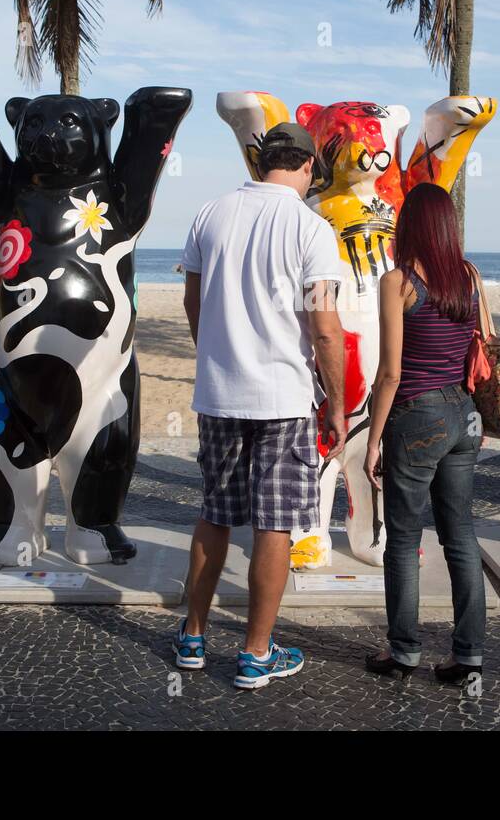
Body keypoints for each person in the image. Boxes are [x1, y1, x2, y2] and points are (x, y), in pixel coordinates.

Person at [174, 122, 347, 690]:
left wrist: (218, 357)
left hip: (219, 393)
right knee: (274, 525)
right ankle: (255, 653)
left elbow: (193, 301)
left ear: (259, 160)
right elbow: (324, 329)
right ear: (307, 167)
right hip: (282, 396)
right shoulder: (311, 228)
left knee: (215, 513)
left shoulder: (211, 213)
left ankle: (194, 637)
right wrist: (339, 403)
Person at [363, 183, 487, 684]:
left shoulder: (399, 281)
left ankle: (404, 652)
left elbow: (390, 373)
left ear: (409, 226)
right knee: (461, 535)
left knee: (404, 539)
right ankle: (468, 655)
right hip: (464, 413)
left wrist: (373, 439)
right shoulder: (469, 276)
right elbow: (480, 345)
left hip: (416, 415)